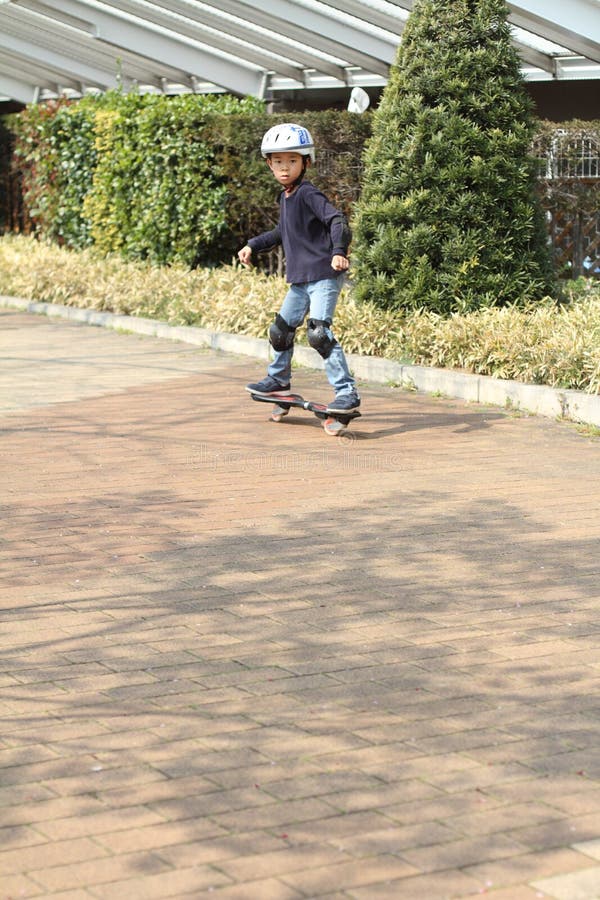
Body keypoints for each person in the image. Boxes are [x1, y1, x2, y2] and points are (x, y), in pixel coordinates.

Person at [238, 123, 360, 413]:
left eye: (292, 161)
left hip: (323, 276)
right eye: (278, 161)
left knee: (319, 334)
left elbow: (337, 220)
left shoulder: (307, 193)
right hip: (301, 281)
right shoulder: (285, 197)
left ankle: (347, 392)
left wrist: (339, 251)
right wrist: (252, 245)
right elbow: (283, 231)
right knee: (280, 331)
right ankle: (279, 380)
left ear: (306, 162)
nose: (284, 167)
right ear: (269, 164)